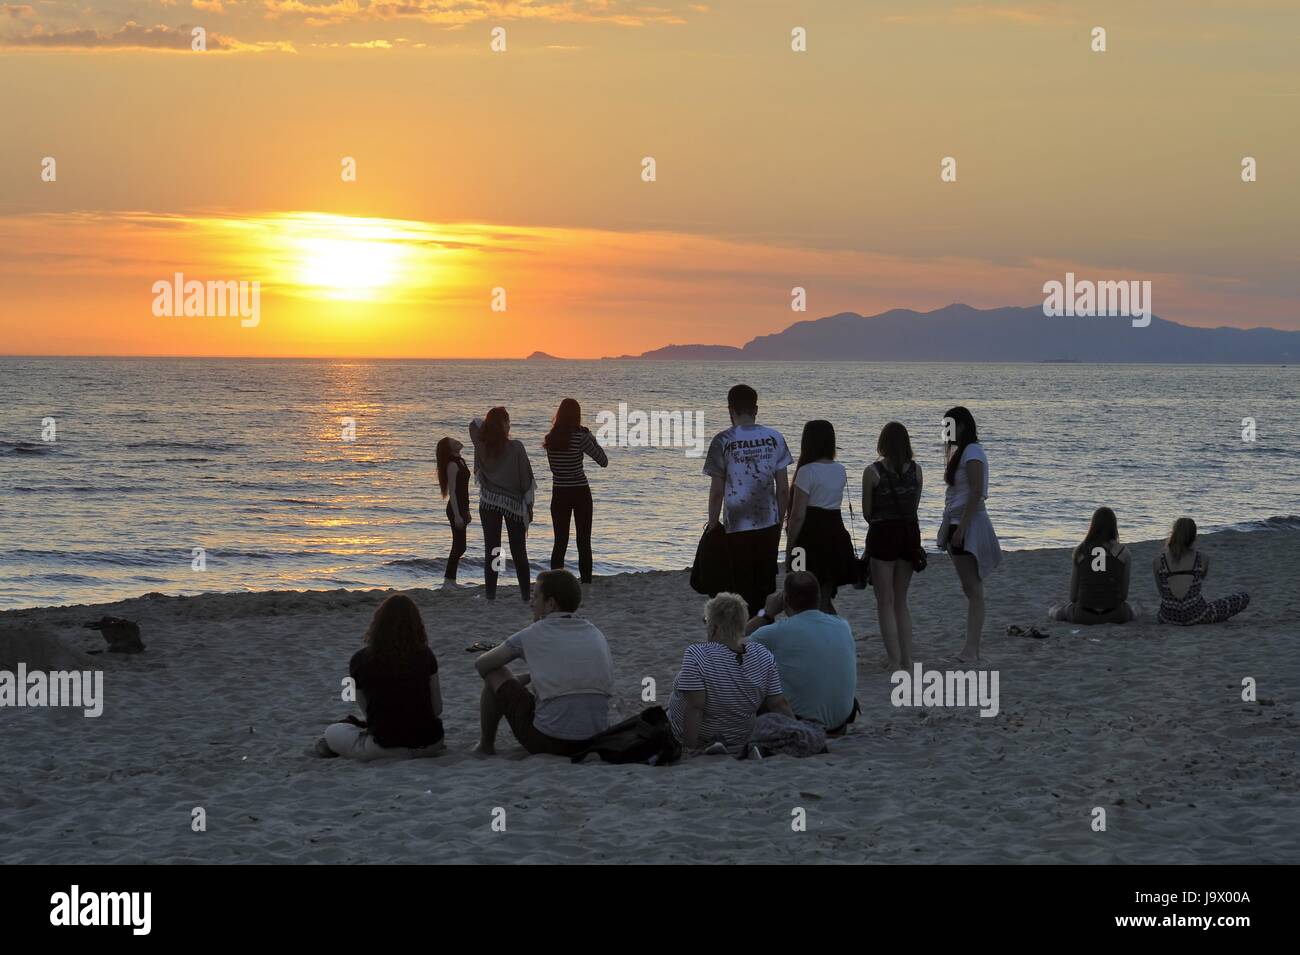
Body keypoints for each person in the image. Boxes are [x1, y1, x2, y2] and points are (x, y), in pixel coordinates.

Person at [474, 569, 614, 756]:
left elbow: (482, 664)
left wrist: (517, 680)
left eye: (536, 597)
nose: (531, 603)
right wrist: (535, 676)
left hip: (550, 741)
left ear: (550, 604)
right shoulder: (595, 633)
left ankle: (485, 745)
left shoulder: (532, 634)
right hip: (596, 738)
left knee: (494, 672)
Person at [317, 594, 445, 761]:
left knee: (332, 730)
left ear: (377, 624)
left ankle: (333, 746)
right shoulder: (426, 655)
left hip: (386, 746)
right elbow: (437, 709)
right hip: (430, 744)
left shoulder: (360, 660)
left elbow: (369, 713)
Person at [667, 591, 794, 757]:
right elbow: (778, 704)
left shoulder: (697, 654)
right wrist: (798, 730)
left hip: (694, 736)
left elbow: (695, 708)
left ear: (714, 627)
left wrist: (689, 749)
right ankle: (730, 745)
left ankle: (708, 744)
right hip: (739, 738)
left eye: (707, 621)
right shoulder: (763, 655)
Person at [703, 384, 793, 617]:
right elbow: (783, 489)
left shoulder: (722, 440)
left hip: (737, 527)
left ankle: (742, 640)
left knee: (740, 591)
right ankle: (762, 640)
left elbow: (716, 491)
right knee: (764, 589)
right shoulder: (774, 438)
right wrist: (780, 519)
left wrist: (713, 524)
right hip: (768, 525)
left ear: (730, 409)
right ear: (756, 409)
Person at [746, 572, 857, 733]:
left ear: (785, 600)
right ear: (818, 598)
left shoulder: (776, 632)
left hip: (799, 721)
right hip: (840, 722)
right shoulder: (842, 625)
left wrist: (765, 613)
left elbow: (731, 644)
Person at [937, 406, 1001, 662]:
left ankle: (971, 649)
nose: (946, 431)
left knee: (973, 589)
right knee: (970, 588)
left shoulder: (972, 452)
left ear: (962, 425)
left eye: (949, 425)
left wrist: (962, 527)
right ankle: (971, 649)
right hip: (958, 520)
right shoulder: (962, 452)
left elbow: (976, 492)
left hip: (967, 522)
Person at [863, 421, 923, 669]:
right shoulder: (916, 471)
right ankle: (907, 658)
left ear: (882, 443)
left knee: (884, 600)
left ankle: (894, 659)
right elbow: (914, 507)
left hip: (883, 534)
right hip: (909, 535)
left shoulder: (873, 471)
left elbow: (868, 512)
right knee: (901, 600)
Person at [785, 420, 855, 613]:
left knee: (802, 592)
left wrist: (790, 546)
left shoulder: (806, 471)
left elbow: (798, 515)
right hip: (836, 533)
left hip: (810, 536)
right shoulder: (840, 469)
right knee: (824, 594)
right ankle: (833, 633)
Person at [469, 407, 535, 602]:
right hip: (513, 505)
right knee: (518, 550)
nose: (510, 425)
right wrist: (528, 507)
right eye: (507, 422)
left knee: (494, 550)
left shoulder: (482, 444)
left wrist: (489, 427)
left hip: (489, 502)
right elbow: (526, 481)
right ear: (503, 424)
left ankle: (491, 594)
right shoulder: (515, 447)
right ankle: (525, 594)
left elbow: (474, 423)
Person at [543, 398, 609, 584]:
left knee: (560, 542)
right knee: (583, 541)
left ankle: (554, 583)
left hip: (559, 493)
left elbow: (555, 469)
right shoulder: (580, 437)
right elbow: (603, 461)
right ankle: (586, 583)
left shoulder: (550, 439)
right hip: (580, 492)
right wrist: (591, 437)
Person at [1153, 517, 1250, 625]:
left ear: (1173, 534)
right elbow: (1200, 580)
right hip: (1198, 615)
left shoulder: (1158, 561)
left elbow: (1162, 592)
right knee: (1243, 597)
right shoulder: (1202, 558)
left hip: (1168, 617)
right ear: (1194, 536)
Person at [1049, 507, 1136, 624]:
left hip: (1084, 614)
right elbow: (1123, 595)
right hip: (1114, 615)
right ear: (1114, 526)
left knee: (1057, 610)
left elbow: (1073, 597)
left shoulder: (1080, 551)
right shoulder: (1124, 553)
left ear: (1093, 525)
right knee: (1132, 609)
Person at [436, 436, 470, 586]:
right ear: (450, 449)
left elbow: (465, 491)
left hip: (462, 508)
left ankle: (450, 579)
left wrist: (467, 510)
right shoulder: (452, 465)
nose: (457, 441)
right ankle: (449, 580)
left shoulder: (461, 461)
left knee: (460, 546)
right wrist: (457, 515)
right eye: (453, 442)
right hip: (455, 509)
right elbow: (453, 492)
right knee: (459, 546)